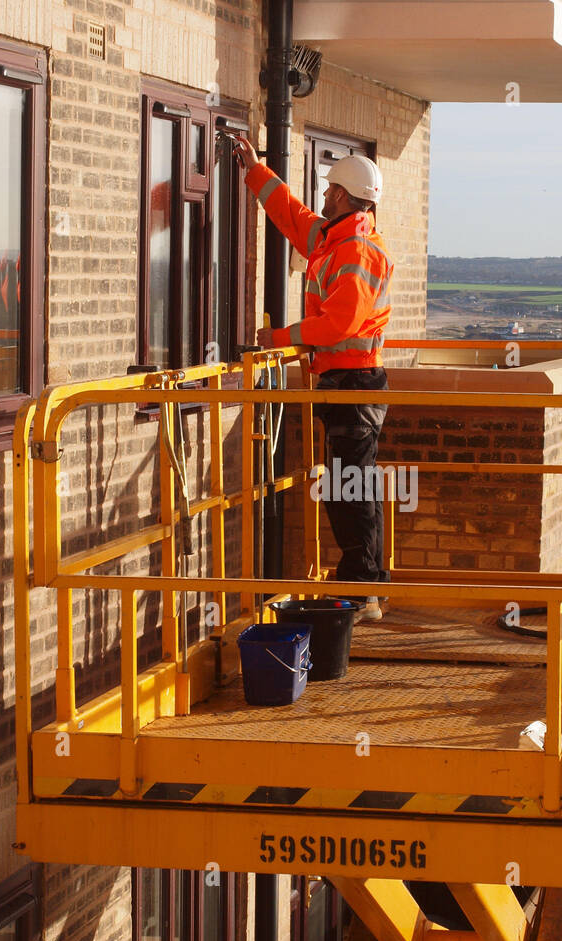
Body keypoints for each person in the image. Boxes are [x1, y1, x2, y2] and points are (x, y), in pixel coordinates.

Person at [228, 131, 392, 621]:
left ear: (343, 195)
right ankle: (363, 582)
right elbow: (293, 216)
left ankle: (364, 586)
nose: (322, 198)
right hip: (345, 384)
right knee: (347, 484)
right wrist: (255, 171)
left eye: (328, 191)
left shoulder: (356, 249)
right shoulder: (336, 238)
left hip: (355, 385)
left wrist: (277, 338)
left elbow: (339, 324)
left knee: (350, 486)